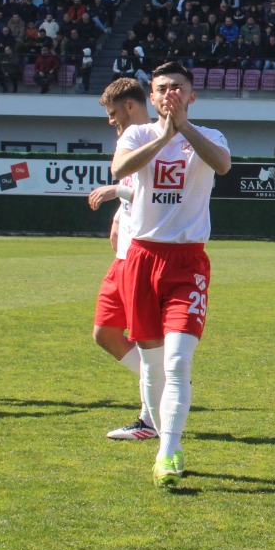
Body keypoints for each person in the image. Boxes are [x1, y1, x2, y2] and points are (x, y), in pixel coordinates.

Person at [112, 62, 232, 488]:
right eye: (161, 89)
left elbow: (222, 165)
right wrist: (164, 135)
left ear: (191, 95)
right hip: (142, 258)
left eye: (177, 88)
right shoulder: (138, 134)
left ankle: (169, 451)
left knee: (178, 361)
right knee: (152, 363)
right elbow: (119, 170)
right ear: (152, 95)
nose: (169, 95)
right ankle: (159, 431)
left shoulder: (210, 136)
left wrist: (183, 131)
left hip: (187, 262)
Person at [84, 78, 159, 439]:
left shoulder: (159, 135)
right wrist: (118, 213)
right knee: (105, 332)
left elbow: (158, 191)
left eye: (114, 113)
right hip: (124, 252)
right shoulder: (129, 139)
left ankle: (149, 420)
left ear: (131, 105)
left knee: (144, 336)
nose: (111, 120)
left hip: (145, 253)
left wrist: (118, 190)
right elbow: (136, 190)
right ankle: (163, 381)